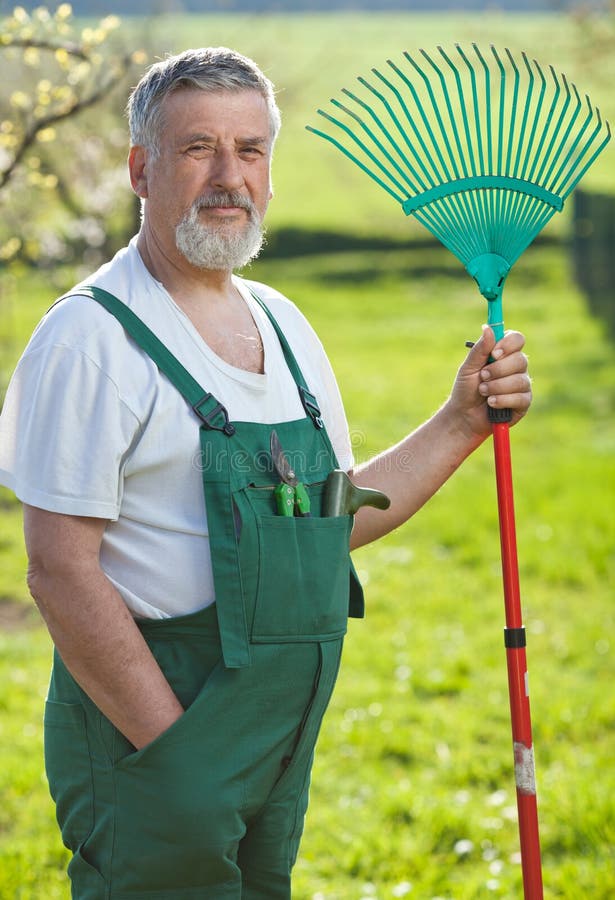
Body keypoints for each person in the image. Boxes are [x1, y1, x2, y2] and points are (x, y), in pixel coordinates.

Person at [0, 47, 532, 899]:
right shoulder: (92, 339)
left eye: (249, 150)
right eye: (197, 148)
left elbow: (327, 518)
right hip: (159, 729)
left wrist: (462, 420)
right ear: (141, 168)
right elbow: (58, 569)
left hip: (276, 737)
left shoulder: (283, 326)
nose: (228, 175)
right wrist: (180, 755)